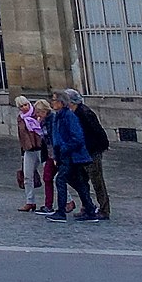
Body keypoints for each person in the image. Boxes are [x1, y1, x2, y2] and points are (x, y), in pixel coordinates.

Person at [45, 90, 99, 221]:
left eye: (54, 100)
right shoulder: (57, 116)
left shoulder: (69, 116)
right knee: (78, 182)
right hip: (64, 155)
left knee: (60, 180)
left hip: (71, 155)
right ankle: (90, 210)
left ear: (61, 103)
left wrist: (64, 148)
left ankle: (61, 212)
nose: (52, 103)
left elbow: (77, 137)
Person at [72, 91, 114, 221]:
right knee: (82, 181)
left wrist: (99, 148)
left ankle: (104, 209)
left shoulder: (84, 113)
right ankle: (87, 207)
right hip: (83, 152)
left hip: (91, 152)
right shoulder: (75, 113)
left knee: (97, 182)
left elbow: (97, 131)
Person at [14, 97, 45, 212]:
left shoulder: (37, 113)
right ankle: (30, 201)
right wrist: (22, 152)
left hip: (42, 148)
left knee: (50, 175)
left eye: (25, 105)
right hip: (28, 149)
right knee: (27, 176)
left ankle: (67, 200)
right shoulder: (20, 118)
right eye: (21, 107)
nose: (24, 108)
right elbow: (21, 136)